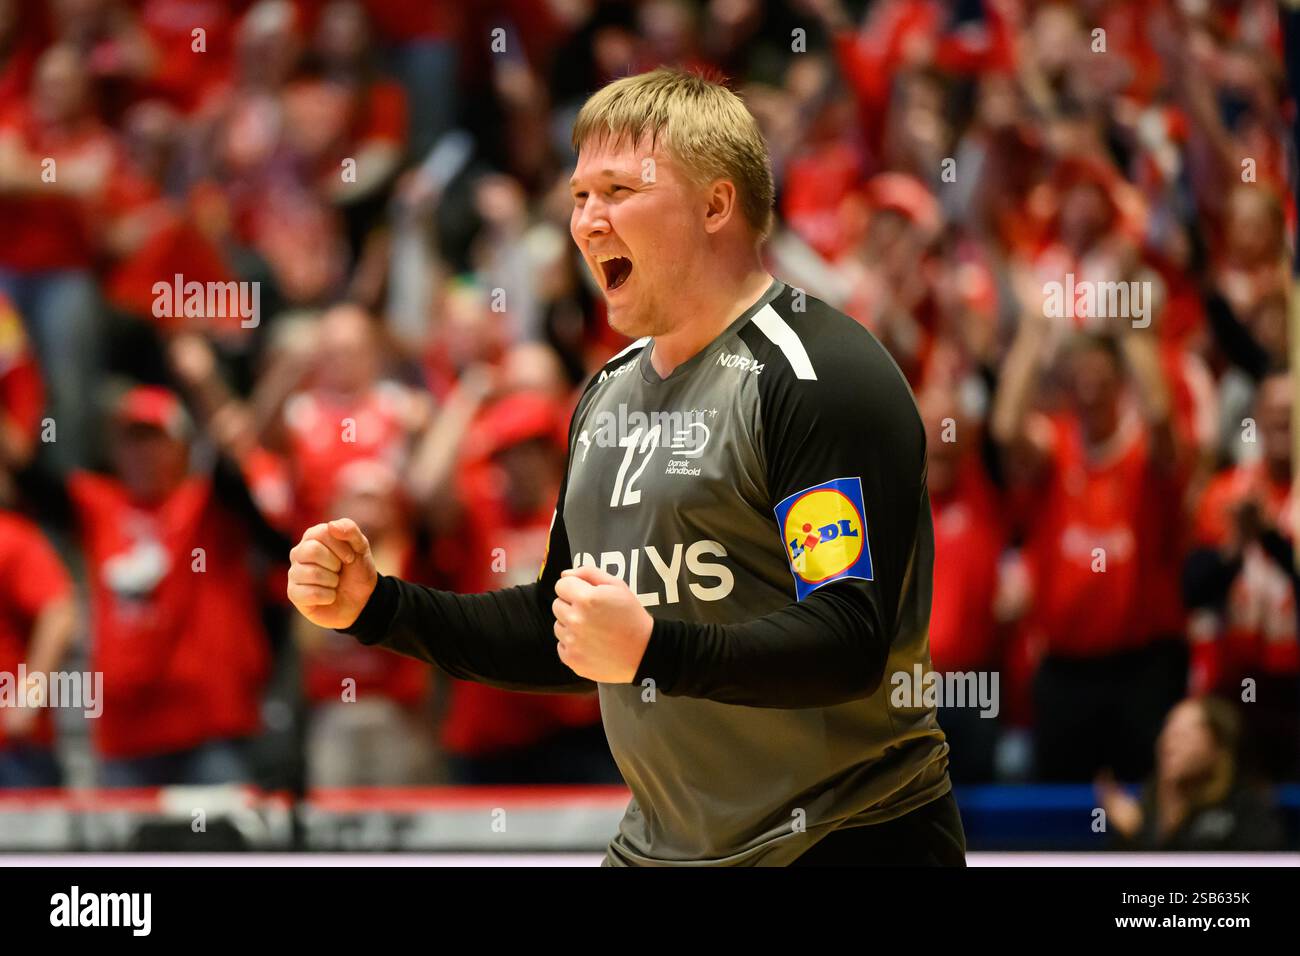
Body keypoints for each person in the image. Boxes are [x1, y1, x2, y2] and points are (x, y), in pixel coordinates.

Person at [287, 67, 962, 866]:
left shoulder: (819, 375)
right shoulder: (606, 393)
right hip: (664, 850)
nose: (586, 223)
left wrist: (651, 652)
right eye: (578, 197)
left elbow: (845, 636)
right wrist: (378, 608)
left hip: (845, 839)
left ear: (716, 205)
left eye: (616, 191)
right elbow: (562, 630)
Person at [1095, 696, 1285, 851]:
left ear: (1217, 747)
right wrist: (1134, 834)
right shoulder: (1145, 804)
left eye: (1183, 735)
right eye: (1167, 732)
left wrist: (1139, 834)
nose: (1169, 744)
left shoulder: (1246, 808)